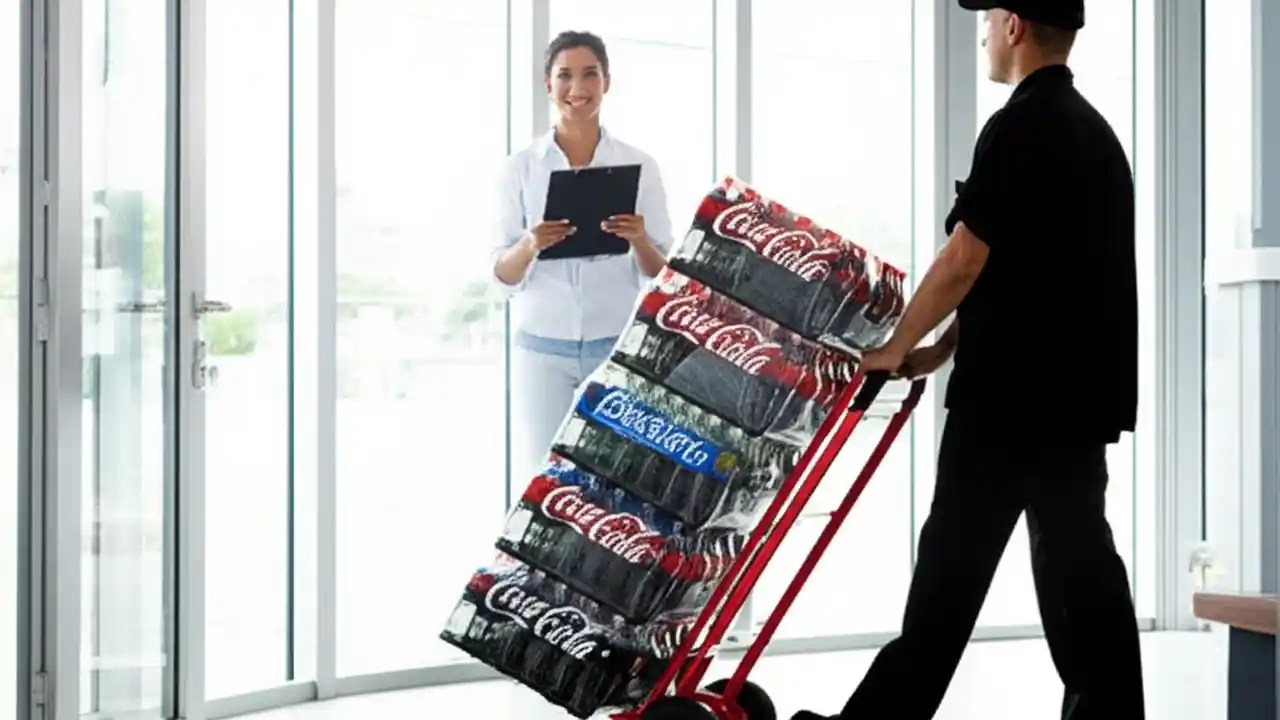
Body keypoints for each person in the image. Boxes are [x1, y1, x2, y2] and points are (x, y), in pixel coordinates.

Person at [792, 2, 1145, 718]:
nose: (983, 34)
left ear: (1015, 27)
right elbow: (1036, 272)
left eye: (988, 19)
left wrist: (894, 347)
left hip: (1006, 404)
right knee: (1081, 576)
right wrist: (944, 347)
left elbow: (965, 259)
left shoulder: (1020, 126)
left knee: (948, 583)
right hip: (1074, 401)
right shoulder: (1095, 135)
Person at [491, 30, 674, 486]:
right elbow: (500, 276)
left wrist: (640, 240)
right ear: (548, 85)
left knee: (615, 481)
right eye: (565, 76)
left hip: (614, 347)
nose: (578, 87)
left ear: (606, 82)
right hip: (541, 350)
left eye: (590, 74)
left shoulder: (641, 166)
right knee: (545, 482)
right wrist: (531, 244)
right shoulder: (520, 168)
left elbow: (662, 274)